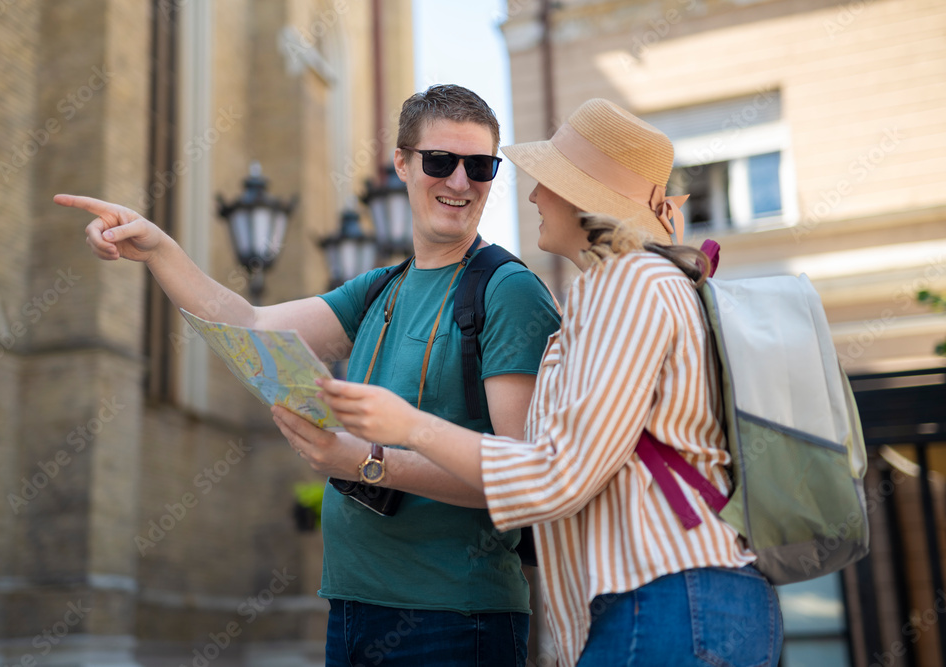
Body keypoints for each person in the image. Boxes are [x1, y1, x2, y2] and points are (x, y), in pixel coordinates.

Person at [55, 84, 561, 667]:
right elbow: (250, 326)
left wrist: (367, 462)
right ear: (402, 163)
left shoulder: (508, 291)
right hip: (351, 605)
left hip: (456, 618)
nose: (461, 181)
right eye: (441, 161)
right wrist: (159, 249)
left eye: (480, 166)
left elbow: (521, 474)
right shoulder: (380, 288)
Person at [315, 98, 785, 666]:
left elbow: (557, 473)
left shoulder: (635, 284)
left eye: (550, 181)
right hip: (663, 601)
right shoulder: (615, 290)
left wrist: (405, 432)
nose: (535, 195)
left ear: (582, 199)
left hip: (669, 598)